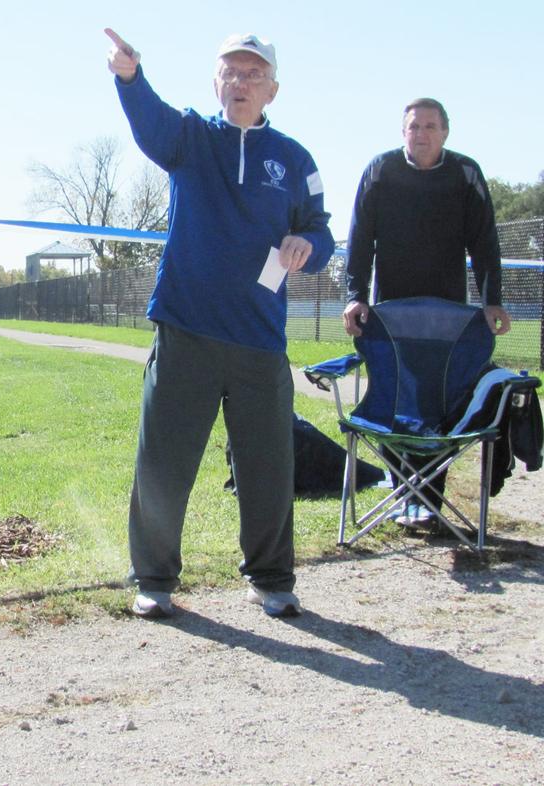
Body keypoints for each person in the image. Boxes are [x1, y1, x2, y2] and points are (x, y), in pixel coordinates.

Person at [106, 29, 333, 618]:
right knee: (163, 463)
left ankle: (271, 579)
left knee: (268, 467)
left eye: (253, 74)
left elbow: (323, 231)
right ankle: (154, 580)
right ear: (215, 83)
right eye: (230, 72)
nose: (241, 82)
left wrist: (308, 243)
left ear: (273, 90)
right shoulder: (190, 137)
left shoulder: (295, 159)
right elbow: (149, 121)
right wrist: (130, 77)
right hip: (186, 330)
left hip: (260, 340)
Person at [343, 98, 511, 530]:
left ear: (445, 132)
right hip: (391, 312)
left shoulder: (465, 173)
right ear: (403, 131)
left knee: (440, 402)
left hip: (447, 315)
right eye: (414, 126)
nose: (421, 134)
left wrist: (491, 300)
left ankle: (427, 500)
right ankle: (403, 493)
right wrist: (355, 296)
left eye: (430, 126)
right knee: (395, 393)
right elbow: (360, 240)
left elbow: (485, 243)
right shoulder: (380, 171)